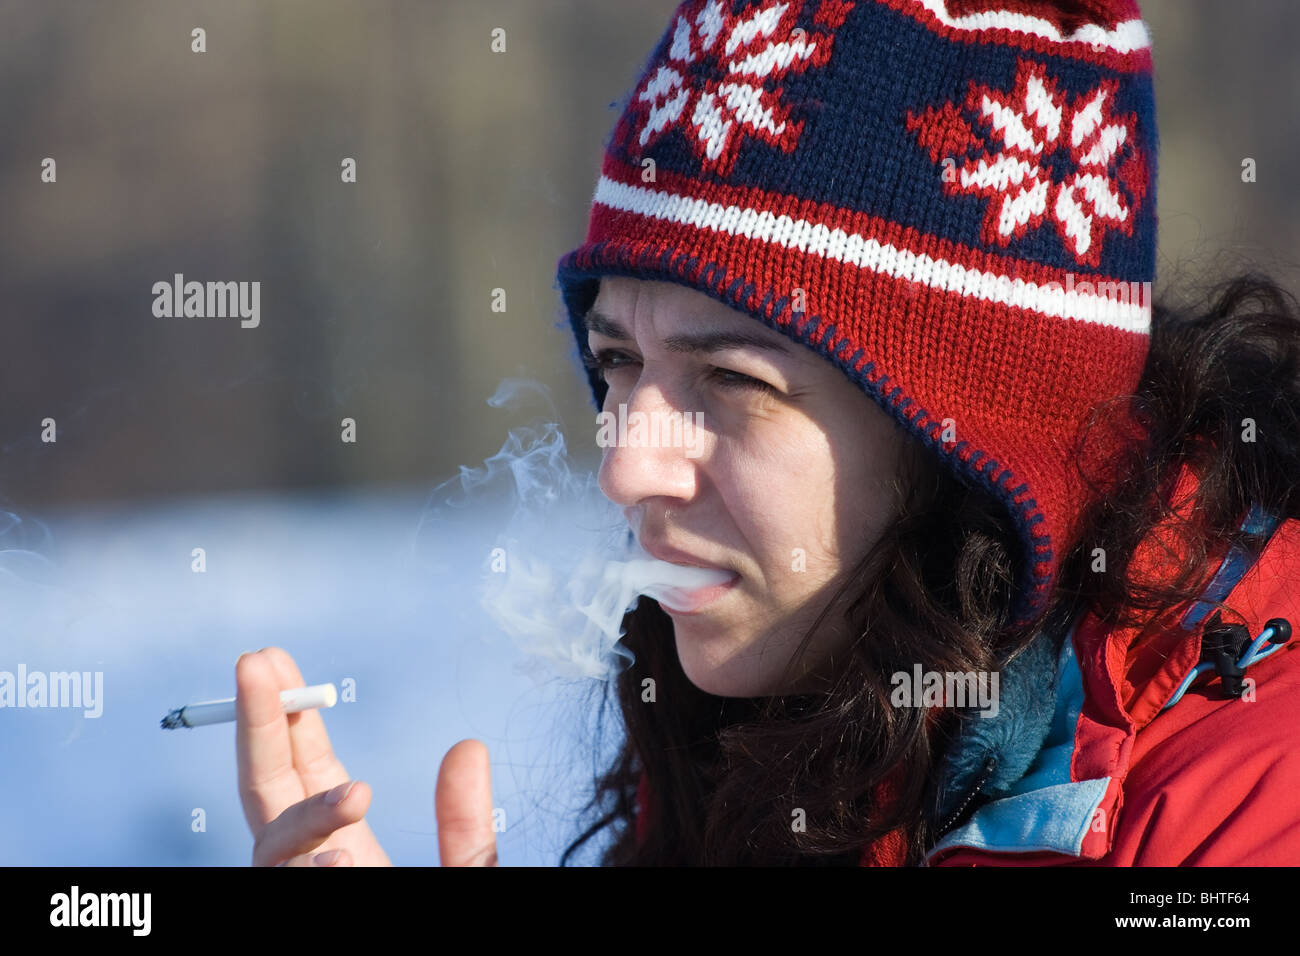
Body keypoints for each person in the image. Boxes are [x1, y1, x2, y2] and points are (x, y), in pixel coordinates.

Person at [236, 0, 1300, 866]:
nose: (623, 462)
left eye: (733, 379)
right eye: (617, 362)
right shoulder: (785, 718)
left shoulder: (1246, 799)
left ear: (971, 447)